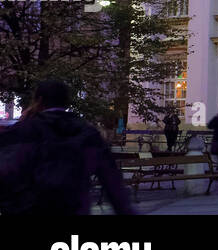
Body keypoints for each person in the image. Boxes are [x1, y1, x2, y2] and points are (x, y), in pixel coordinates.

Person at [0, 80, 133, 215]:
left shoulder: (23, 130)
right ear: (66, 102)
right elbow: (113, 184)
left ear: (39, 100)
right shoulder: (88, 133)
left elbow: (6, 171)